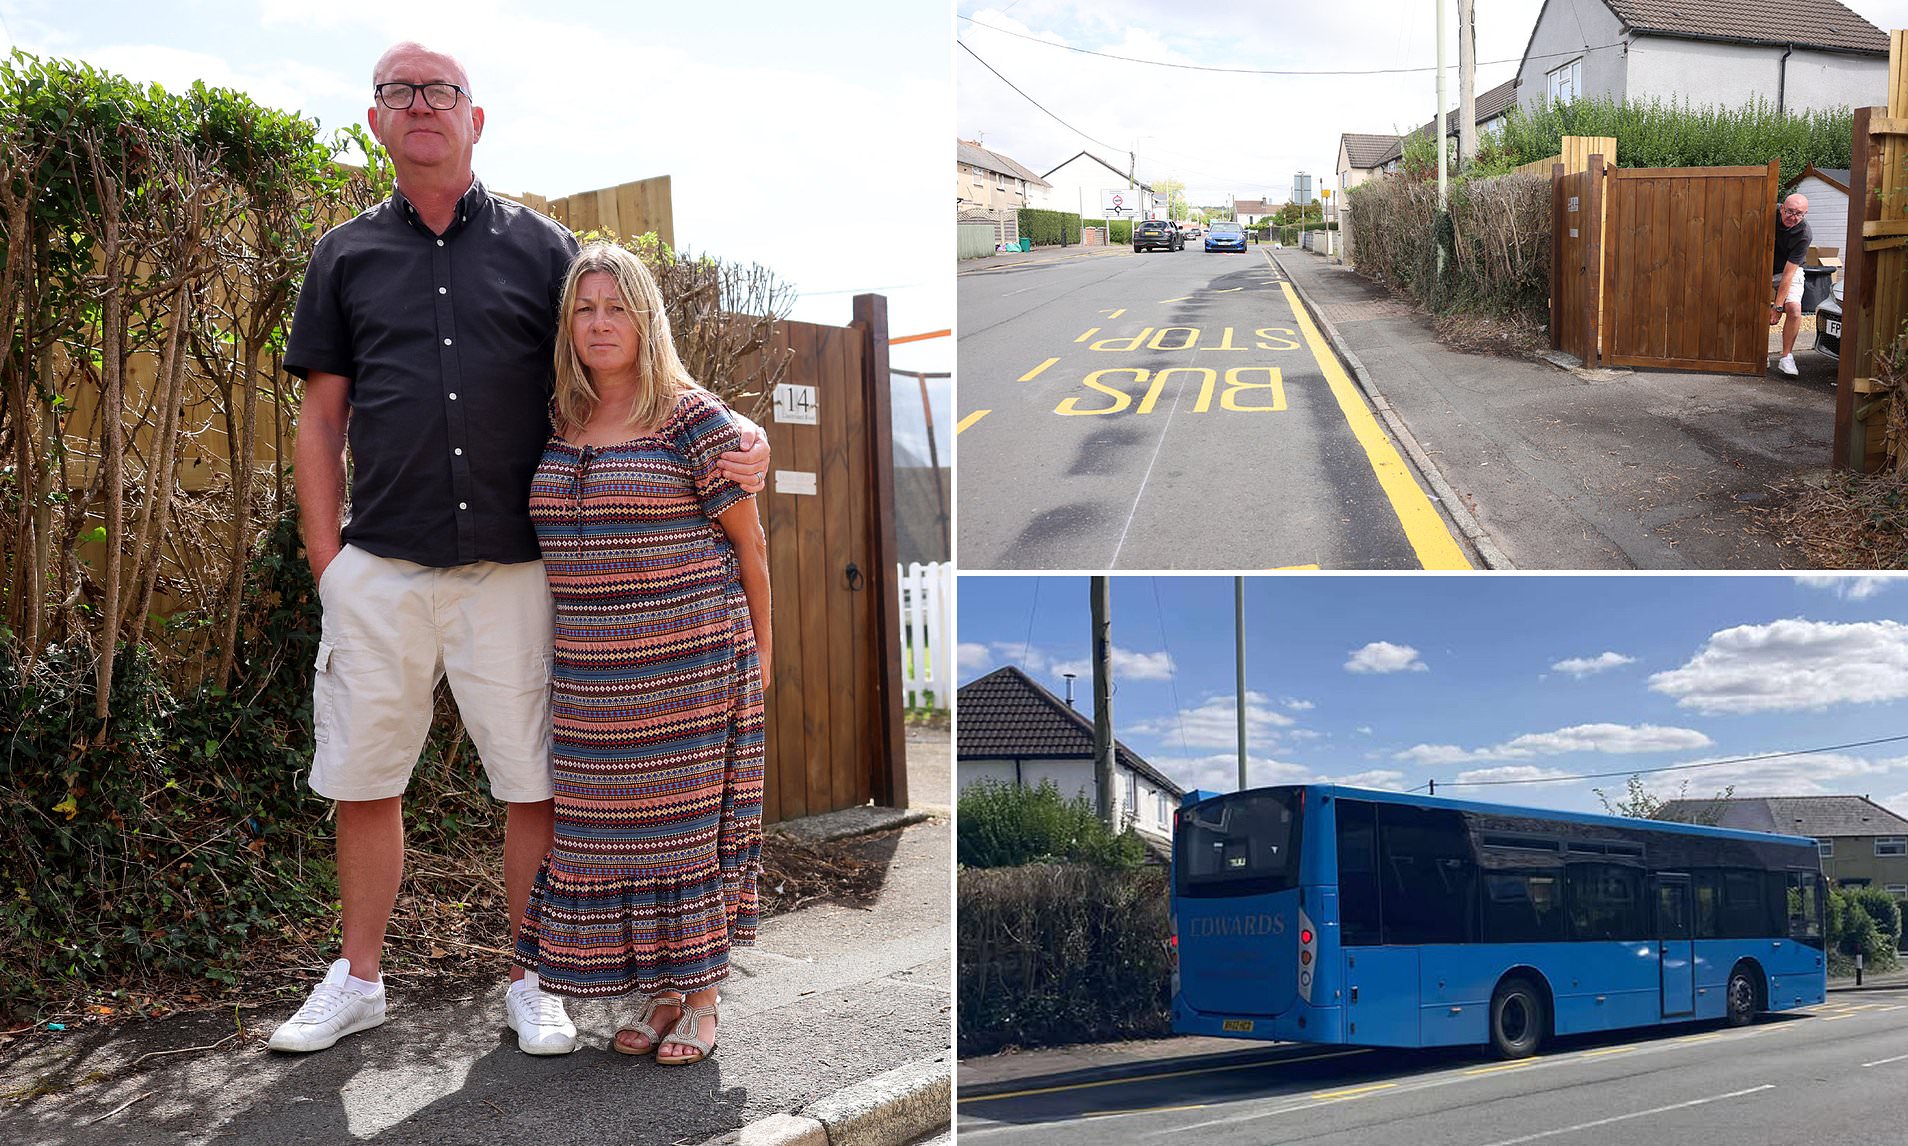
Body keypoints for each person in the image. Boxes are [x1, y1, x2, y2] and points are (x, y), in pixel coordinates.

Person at [267, 42, 769, 1056]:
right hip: (383, 567)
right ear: (375, 121)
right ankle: (357, 979)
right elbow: (322, 420)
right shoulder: (345, 255)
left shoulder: (542, 251)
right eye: (399, 93)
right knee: (366, 781)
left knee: (534, 785)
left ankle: (531, 976)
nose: (421, 107)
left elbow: (619, 353)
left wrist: (739, 431)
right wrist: (329, 562)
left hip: (513, 574)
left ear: (475, 119)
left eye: (441, 92)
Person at [511, 242, 768, 1066]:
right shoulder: (560, 419)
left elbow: (750, 548)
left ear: (646, 317)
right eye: (584, 310)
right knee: (608, 834)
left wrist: (764, 656)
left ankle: (701, 1004)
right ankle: (660, 994)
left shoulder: (692, 420)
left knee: (685, 834)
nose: (598, 323)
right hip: (592, 676)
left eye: (615, 307)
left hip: (688, 667)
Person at [1770, 193, 1811, 377]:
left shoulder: (1804, 234)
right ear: (1781, 209)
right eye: (1790, 212)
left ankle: (1786, 357)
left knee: (1794, 309)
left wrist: (1778, 307)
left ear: (1805, 214)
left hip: (1788, 271)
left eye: (1799, 214)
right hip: (1762, 269)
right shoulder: (1768, 215)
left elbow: (1788, 274)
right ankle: (1757, 353)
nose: (1793, 217)